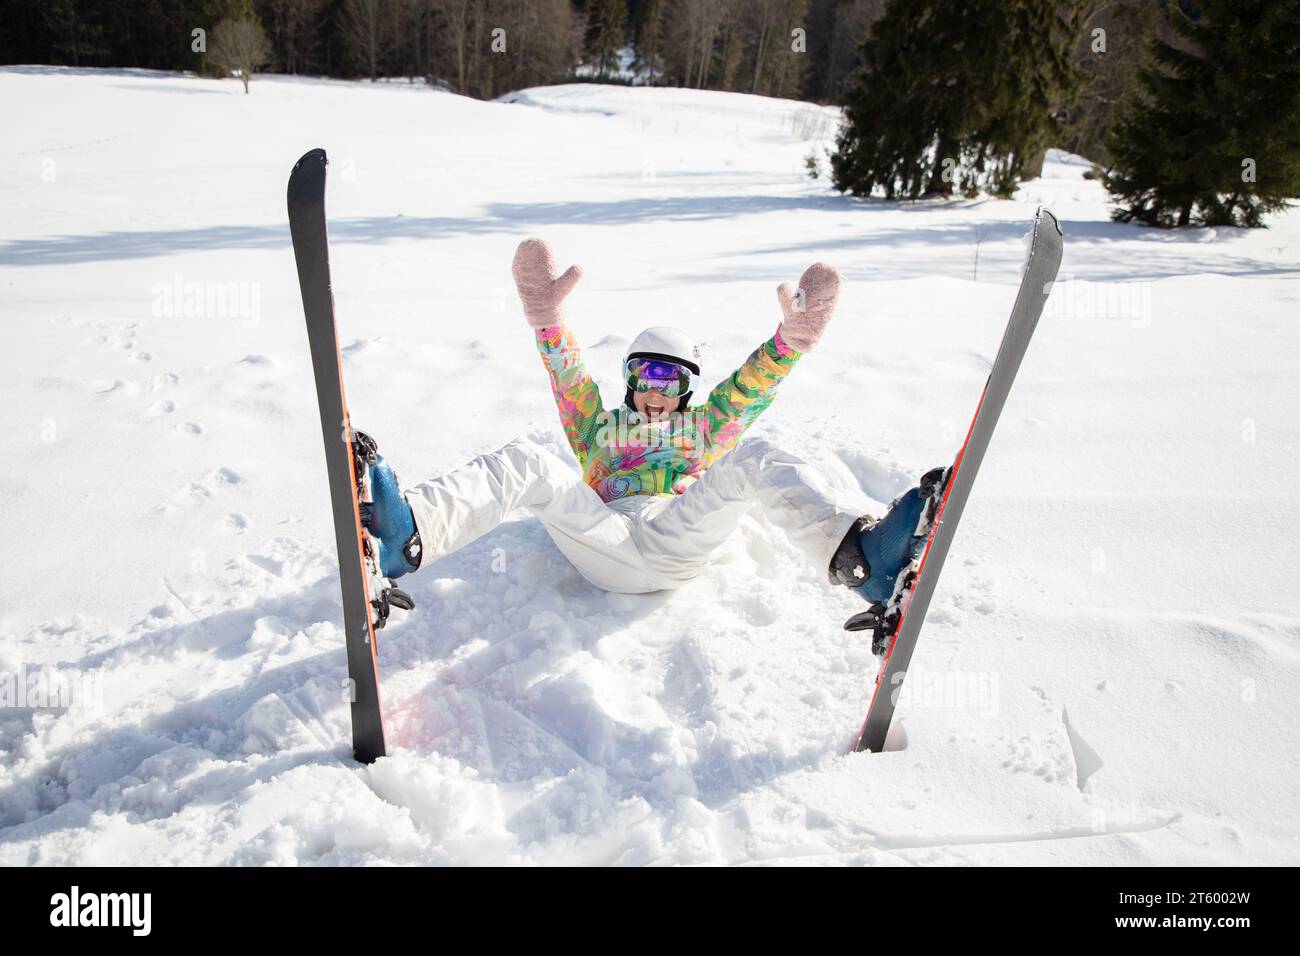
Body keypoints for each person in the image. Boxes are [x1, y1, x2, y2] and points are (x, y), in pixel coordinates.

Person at [359, 238, 944, 647]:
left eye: (671, 380)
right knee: (528, 460)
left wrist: (788, 343)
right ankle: (405, 536)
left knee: (757, 457)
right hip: (604, 538)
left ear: (688, 390)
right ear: (630, 382)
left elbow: (750, 388)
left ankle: (865, 562)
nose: (656, 392)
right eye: (645, 377)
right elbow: (565, 374)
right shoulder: (598, 426)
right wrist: (545, 317)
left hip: (674, 536)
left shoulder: (704, 429)